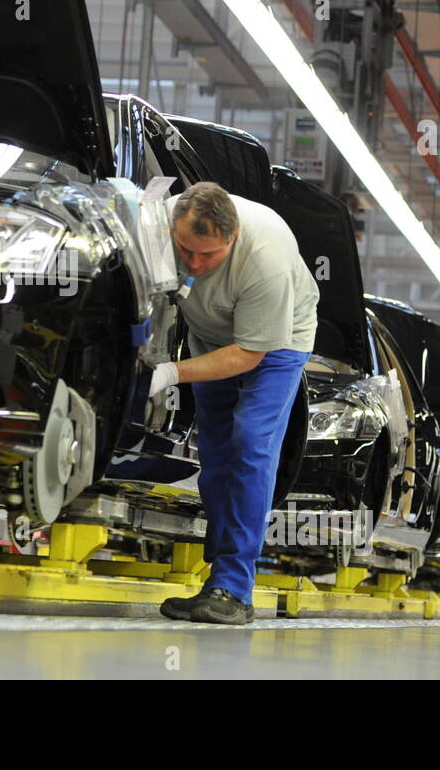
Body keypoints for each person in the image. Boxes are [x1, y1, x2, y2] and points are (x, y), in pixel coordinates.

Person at [150, 182, 319, 625]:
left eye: (208, 256)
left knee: (250, 442)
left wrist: (172, 372)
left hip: (275, 344)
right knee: (217, 454)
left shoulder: (267, 260)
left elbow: (248, 354)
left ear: (233, 236)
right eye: (186, 250)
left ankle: (234, 589)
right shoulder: (157, 223)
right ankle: (218, 574)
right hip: (209, 336)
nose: (195, 264)